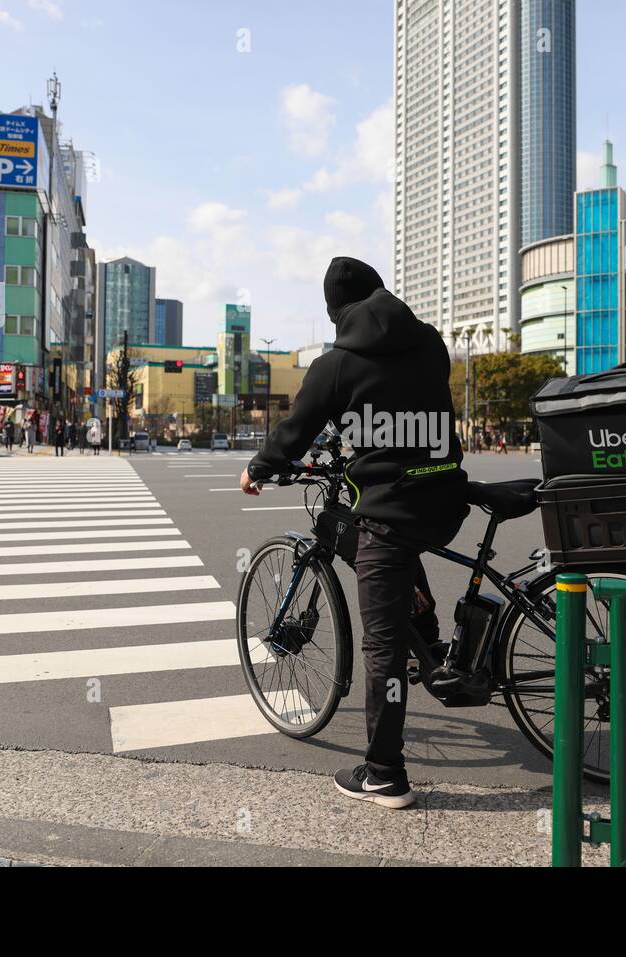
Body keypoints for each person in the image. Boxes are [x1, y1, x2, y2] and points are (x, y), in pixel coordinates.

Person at [240, 256, 468, 810]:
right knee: (399, 552)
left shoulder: (336, 365)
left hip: (390, 508)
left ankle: (385, 772)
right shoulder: (432, 343)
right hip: (445, 496)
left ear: (335, 311)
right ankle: (431, 644)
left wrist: (260, 468)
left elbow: (295, 432)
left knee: (381, 640)